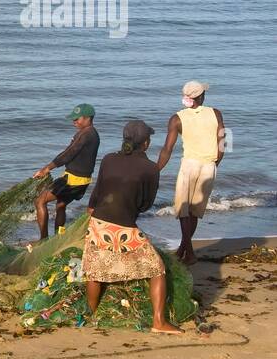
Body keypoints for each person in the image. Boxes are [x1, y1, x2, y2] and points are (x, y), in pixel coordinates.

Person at [84, 120, 182, 334]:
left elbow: (98, 191)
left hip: (98, 222)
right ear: (146, 143)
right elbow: (145, 204)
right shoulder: (150, 168)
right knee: (157, 270)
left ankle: (90, 314)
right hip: (125, 228)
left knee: (94, 272)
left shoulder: (109, 159)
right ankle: (158, 322)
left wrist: (92, 209)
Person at [155, 81, 224, 264]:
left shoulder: (177, 118)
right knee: (194, 212)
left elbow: (167, 149)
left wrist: (155, 170)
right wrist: (216, 163)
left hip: (189, 165)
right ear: (201, 96)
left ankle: (189, 252)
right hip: (209, 165)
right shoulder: (216, 113)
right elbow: (224, 143)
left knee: (184, 211)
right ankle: (183, 250)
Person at [32, 103, 100, 240]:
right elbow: (69, 152)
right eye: (73, 119)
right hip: (81, 180)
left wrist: (47, 168)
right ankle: (59, 237)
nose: (74, 121)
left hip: (73, 180)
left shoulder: (86, 134)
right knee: (61, 205)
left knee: (40, 201)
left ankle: (43, 240)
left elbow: (68, 154)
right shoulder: (90, 133)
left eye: (77, 119)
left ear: (88, 118)